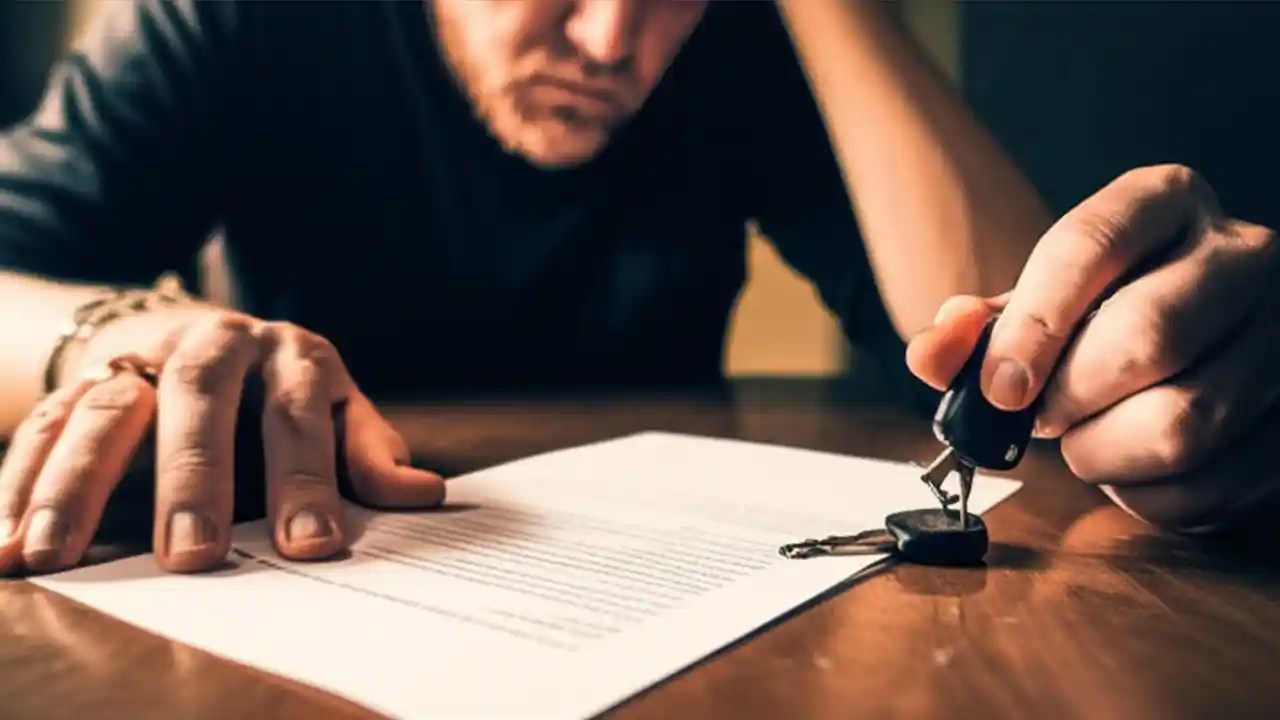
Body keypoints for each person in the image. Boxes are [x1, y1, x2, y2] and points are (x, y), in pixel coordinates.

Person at [0, 1, 1272, 577]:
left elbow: (1006, 353)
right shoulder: (232, 20)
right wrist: (125, 330)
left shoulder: (742, 51)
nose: (613, 42)